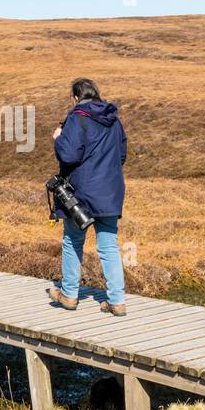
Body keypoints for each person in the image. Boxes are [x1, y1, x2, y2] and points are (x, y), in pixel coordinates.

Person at [47, 78, 128, 316]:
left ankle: (69, 295)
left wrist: (59, 138)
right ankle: (117, 301)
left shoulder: (77, 117)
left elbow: (69, 155)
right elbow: (121, 155)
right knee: (109, 246)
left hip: (81, 193)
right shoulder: (114, 120)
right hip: (110, 192)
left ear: (75, 97)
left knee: (73, 242)